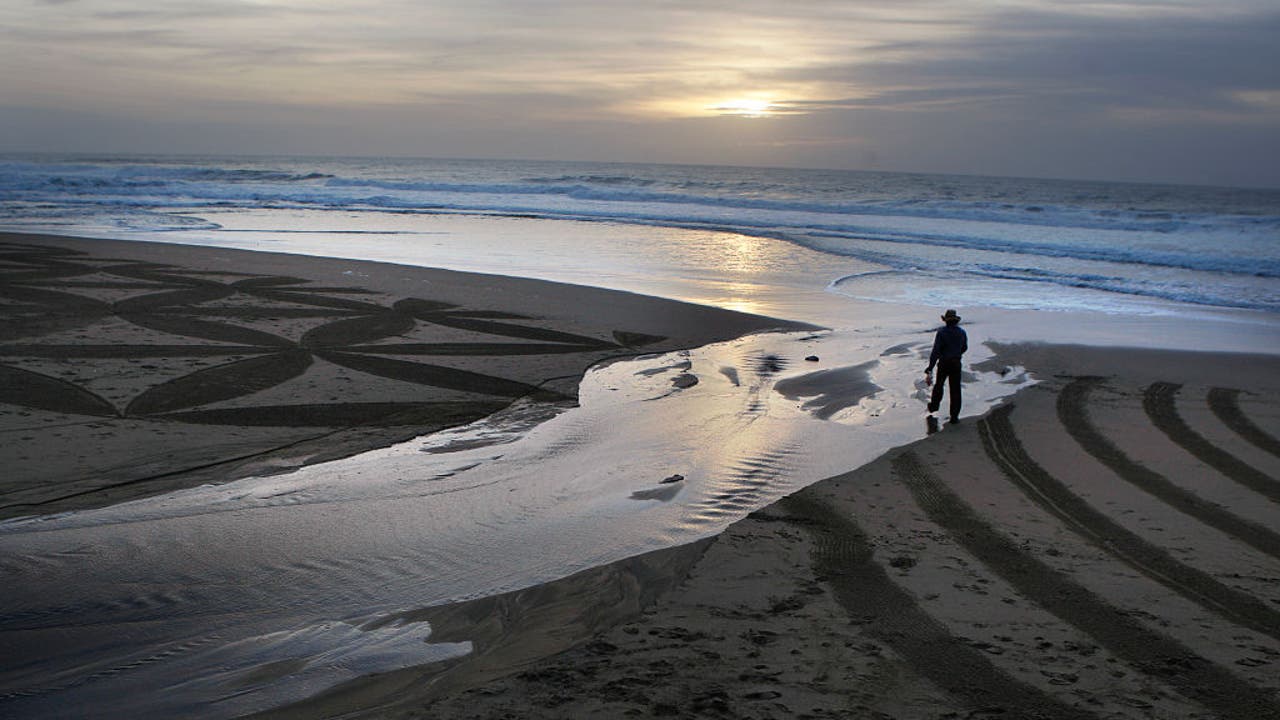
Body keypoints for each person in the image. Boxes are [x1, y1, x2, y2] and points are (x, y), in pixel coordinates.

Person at [925, 309, 967, 424]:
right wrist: (956, 354)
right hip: (956, 363)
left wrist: (930, 367)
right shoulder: (962, 332)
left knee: (939, 385)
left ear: (946, 321)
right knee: (955, 390)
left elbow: (936, 351)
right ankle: (954, 416)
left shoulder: (942, 332)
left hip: (944, 362)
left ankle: (934, 406)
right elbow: (964, 348)